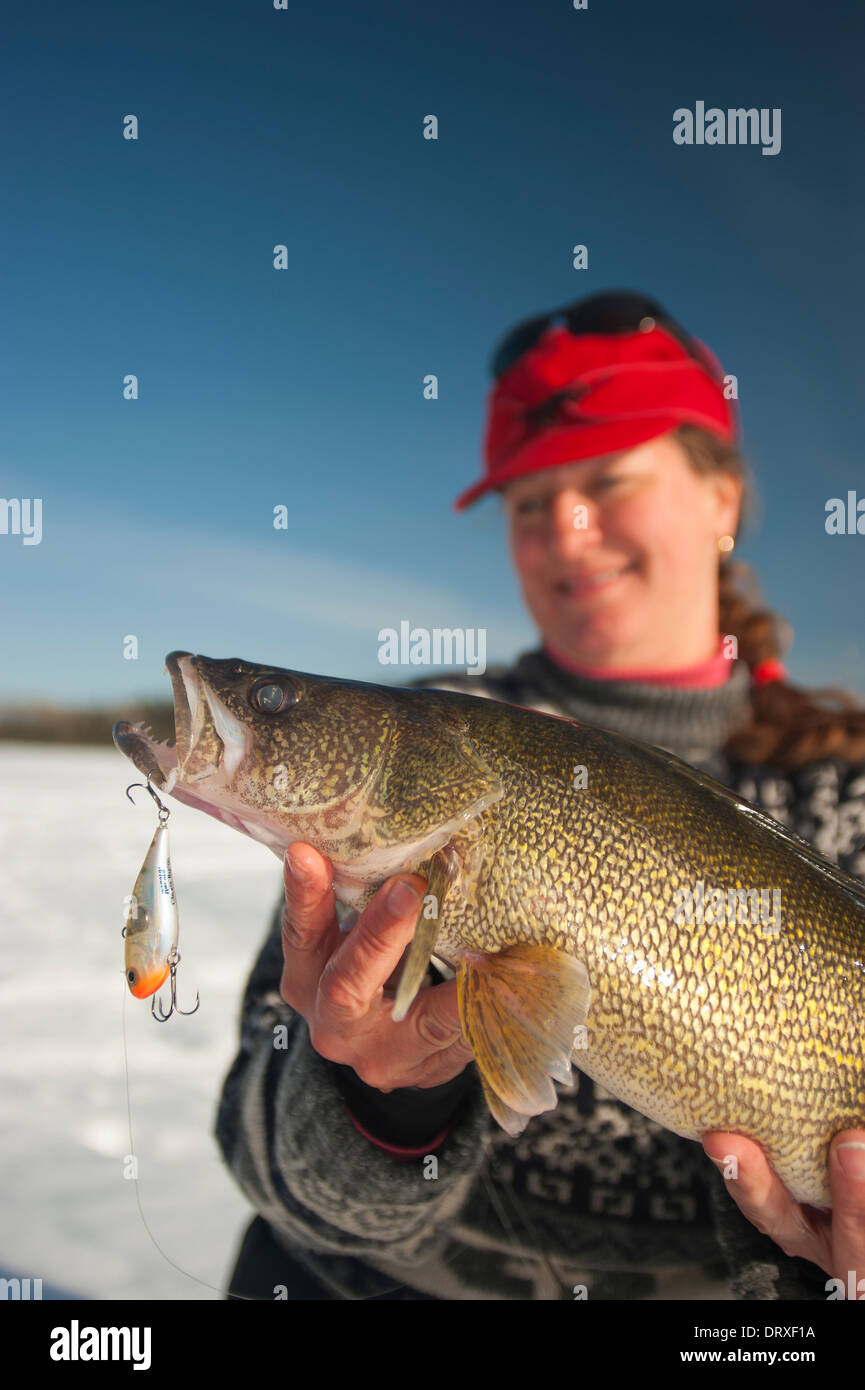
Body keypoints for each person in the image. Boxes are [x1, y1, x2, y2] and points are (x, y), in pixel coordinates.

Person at [216, 290, 865, 1300]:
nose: (566, 531)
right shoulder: (433, 743)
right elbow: (271, 1163)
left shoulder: (844, 796)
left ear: (720, 498)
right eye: (528, 503)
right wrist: (378, 1102)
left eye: (608, 481)